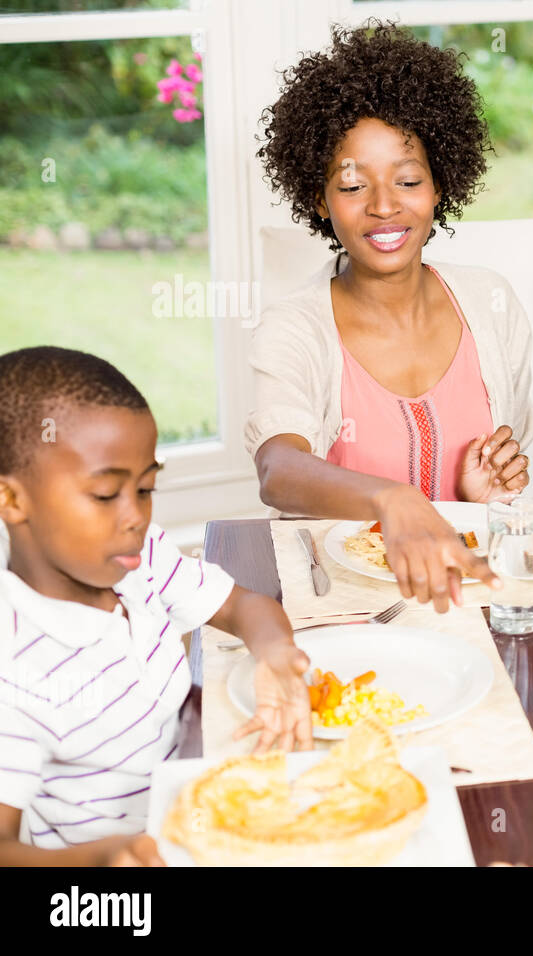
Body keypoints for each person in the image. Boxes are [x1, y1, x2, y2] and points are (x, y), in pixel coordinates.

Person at [250, 22, 533, 608]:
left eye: (407, 180)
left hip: (465, 598)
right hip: (337, 608)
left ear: (438, 185)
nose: (384, 206)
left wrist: (475, 497)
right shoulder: (295, 328)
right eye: (352, 186)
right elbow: (278, 469)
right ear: (318, 199)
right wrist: (393, 498)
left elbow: (500, 500)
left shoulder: (492, 306)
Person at [0, 347, 312, 866]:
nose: (135, 516)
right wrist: (101, 858)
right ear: (12, 500)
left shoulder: (138, 558)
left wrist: (276, 651)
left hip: (202, 796)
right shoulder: (16, 665)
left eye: (145, 488)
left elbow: (241, 607)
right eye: (105, 495)